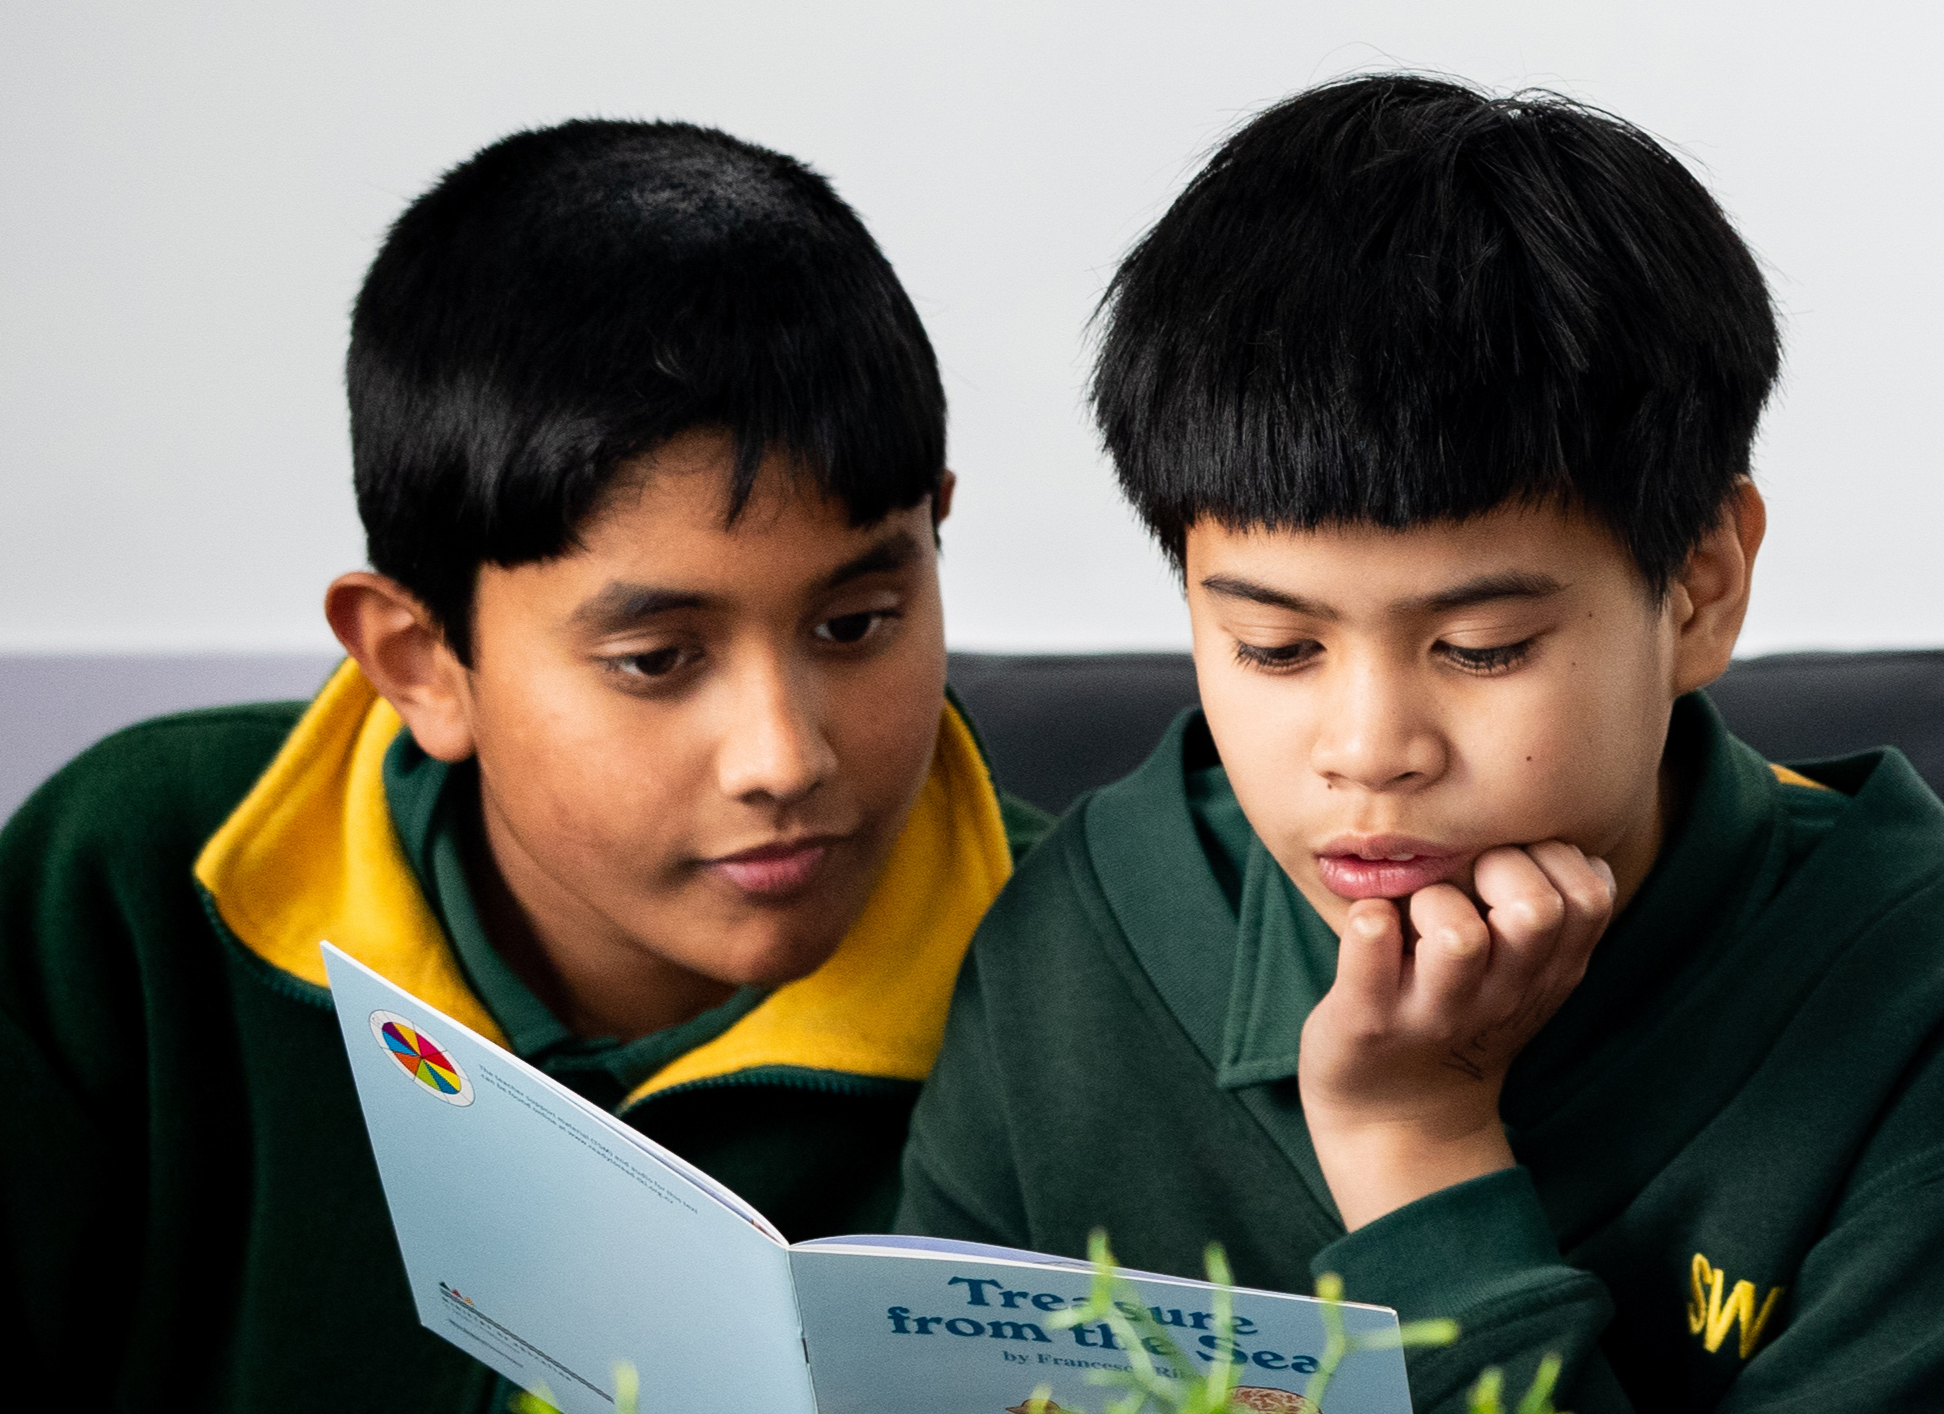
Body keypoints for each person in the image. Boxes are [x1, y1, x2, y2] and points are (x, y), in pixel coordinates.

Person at [896, 75, 1944, 1412]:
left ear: (1698, 587)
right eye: (1277, 649)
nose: (1367, 748)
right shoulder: (1083, 942)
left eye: (1483, 647)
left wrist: (1418, 1148)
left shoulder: (1908, 1011)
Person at [0, 119, 1048, 1412]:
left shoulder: (1096, 983)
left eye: (855, 626)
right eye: (658, 659)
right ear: (422, 662)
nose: (785, 756)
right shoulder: (128, 890)